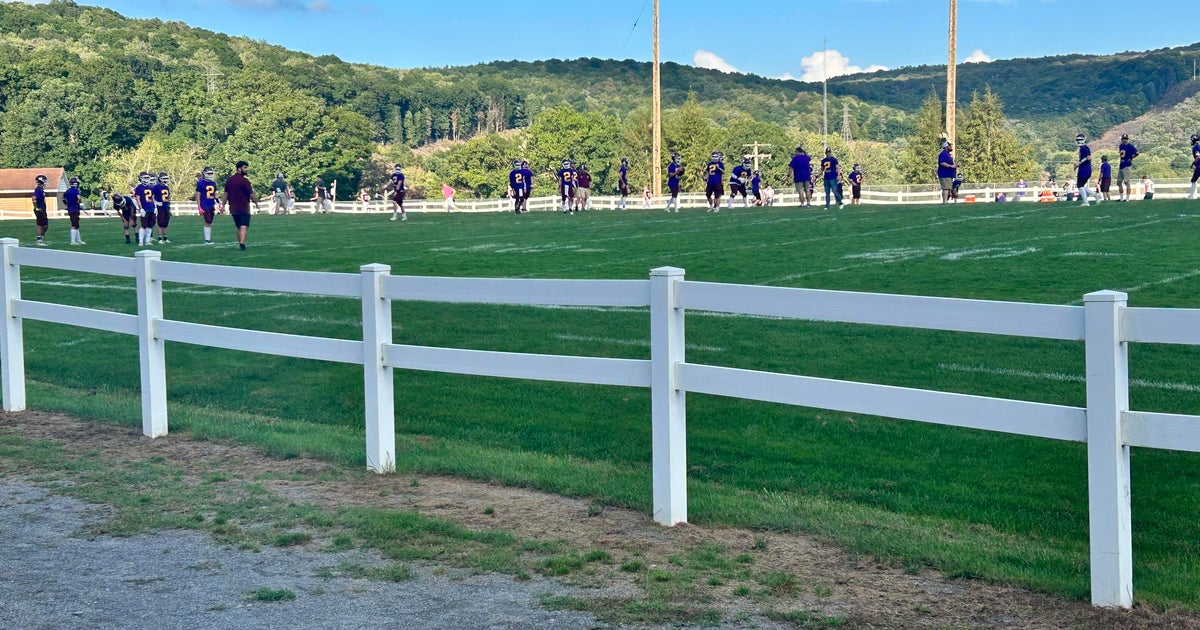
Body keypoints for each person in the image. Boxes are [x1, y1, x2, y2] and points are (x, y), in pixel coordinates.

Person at [221, 160, 259, 250]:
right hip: (244, 206)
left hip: (233, 207)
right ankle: (241, 244)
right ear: (239, 168)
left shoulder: (229, 180)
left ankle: (240, 243)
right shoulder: (245, 181)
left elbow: (225, 194)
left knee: (239, 226)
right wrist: (256, 202)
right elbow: (251, 194)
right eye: (244, 168)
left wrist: (222, 205)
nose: (246, 170)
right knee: (243, 225)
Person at [195, 166, 221, 244]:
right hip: (204, 204)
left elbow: (215, 194)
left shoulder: (213, 183)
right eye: (208, 173)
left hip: (211, 204)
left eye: (211, 173)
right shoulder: (200, 183)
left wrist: (218, 203)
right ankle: (207, 239)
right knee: (208, 221)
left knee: (210, 221)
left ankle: (208, 239)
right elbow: (198, 195)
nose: (210, 175)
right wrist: (199, 206)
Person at [1073, 133, 1099, 207]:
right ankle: (1095, 195)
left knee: (1080, 185)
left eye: (1079, 140)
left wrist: (1079, 163)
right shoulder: (1083, 148)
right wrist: (1077, 165)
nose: (1078, 141)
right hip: (1084, 169)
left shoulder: (1084, 148)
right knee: (1081, 185)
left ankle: (1086, 202)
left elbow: (1089, 157)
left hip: (1084, 169)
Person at [133, 171, 157, 246]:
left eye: (147, 177)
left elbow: (153, 198)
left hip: (151, 207)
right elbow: (138, 198)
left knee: (150, 225)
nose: (147, 179)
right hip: (145, 208)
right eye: (145, 178)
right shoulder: (139, 187)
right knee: (144, 225)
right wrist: (141, 208)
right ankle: (141, 241)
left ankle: (147, 241)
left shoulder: (150, 187)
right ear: (141, 178)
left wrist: (155, 206)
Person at [64, 176, 85, 245]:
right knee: (74, 225)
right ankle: (73, 241)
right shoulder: (75, 190)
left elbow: (63, 199)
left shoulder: (67, 191)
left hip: (70, 209)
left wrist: (68, 204)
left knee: (76, 224)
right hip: (74, 209)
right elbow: (79, 198)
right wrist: (78, 204)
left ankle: (78, 240)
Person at [1117, 134, 1138, 202]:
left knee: (1126, 182)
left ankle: (1127, 198)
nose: (1124, 140)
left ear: (1127, 139)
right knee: (1119, 182)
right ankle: (1121, 197)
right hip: (1121, 164)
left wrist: (1132, 157)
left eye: (1126, 139)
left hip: (1127, 165)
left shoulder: (1130, 146)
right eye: (1123, 139)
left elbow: (1137, 153)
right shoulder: (1121, 146)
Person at [153, 171, 172, 243]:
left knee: (165, 223)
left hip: (166, 206)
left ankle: (165, 237)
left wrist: (169, 207)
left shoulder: (166, 187)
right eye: (164, 178)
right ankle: (160, 238)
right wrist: (156, 203)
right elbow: (152, 196)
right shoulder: (156, 187)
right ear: (160, 179)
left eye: (166, 178)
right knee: (160, 223)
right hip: (159, 207)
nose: (166, 180)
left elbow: (167, 198)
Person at [31, 174, 50, 246]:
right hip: (39, 209)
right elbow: (33, 198)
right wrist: (36, 207)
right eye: (44, 181)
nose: (45, 182)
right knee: (40, 224)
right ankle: (39, 241)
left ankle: (40, 238)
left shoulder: (41, 190)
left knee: (45, 225)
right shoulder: (38, 190)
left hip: (43, 209)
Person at [1190, 133, 1200, 200]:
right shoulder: (1198, 146)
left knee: (1193, 180)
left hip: (1199, 166)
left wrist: (1193, 163)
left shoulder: (1196, 147)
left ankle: (1192, 196)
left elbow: (1198, 156)